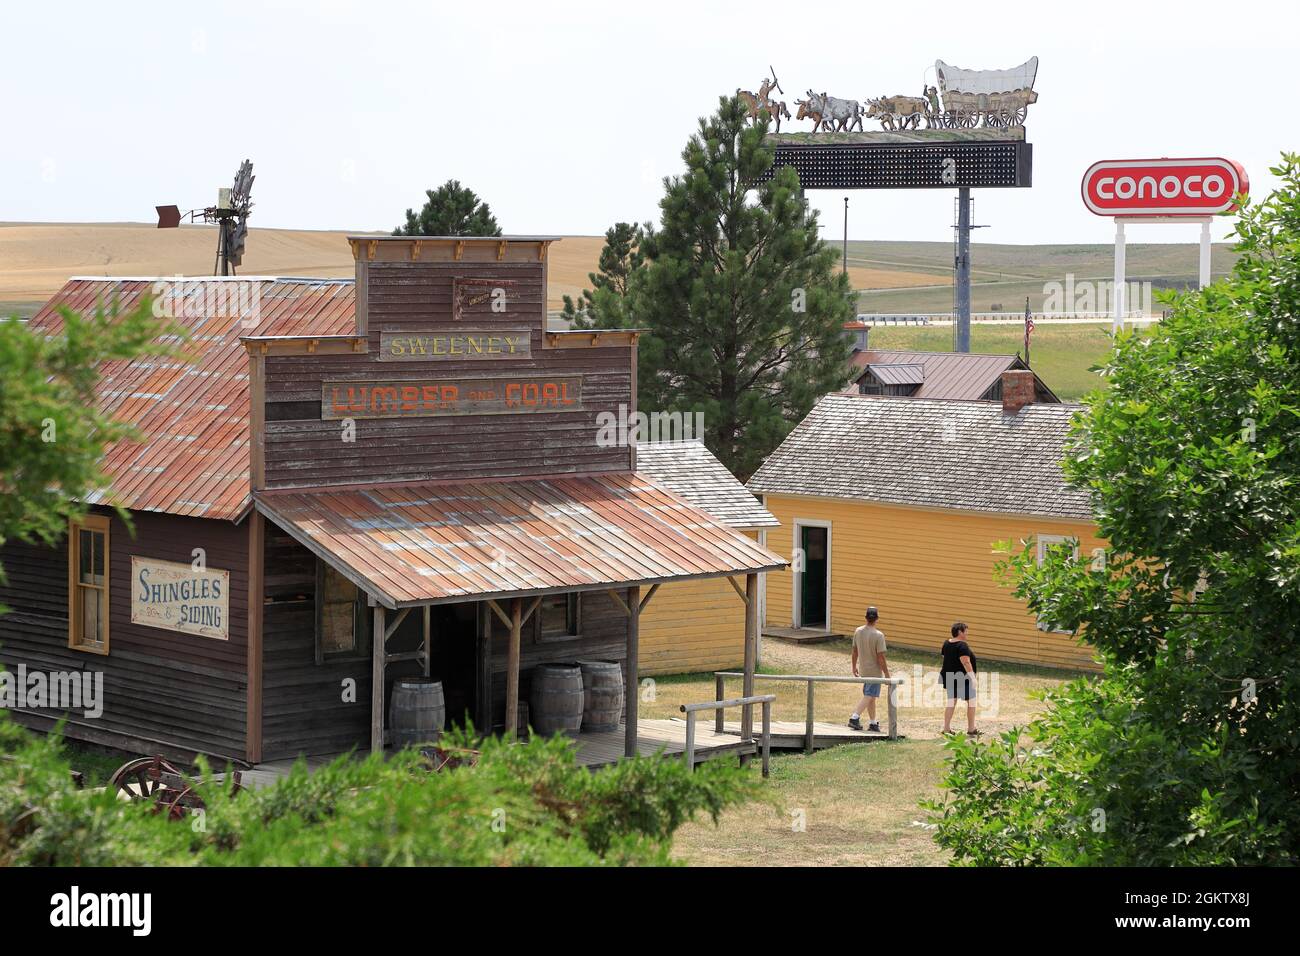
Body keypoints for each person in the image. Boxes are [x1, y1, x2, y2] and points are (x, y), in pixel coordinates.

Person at [849, 606, 889, 732]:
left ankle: (872, 722)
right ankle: (854, 717)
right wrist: (887, 674)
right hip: (874, 671)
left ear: (866, 617)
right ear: (877, 619)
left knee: (871, 696)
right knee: (870, 695)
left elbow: (854, 651)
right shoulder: (878, 635)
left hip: (864, 669)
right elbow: (881, 657)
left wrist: (854, 666)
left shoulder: (858, 631)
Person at [940, 621, 980, 736]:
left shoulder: (946, 643)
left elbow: (944, 657)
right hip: (962, 678)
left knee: (951, 702)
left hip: (949, 677)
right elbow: (966, 662)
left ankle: (946, 728)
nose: (967, 634)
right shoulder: (962, 645)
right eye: (965, 631)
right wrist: (973, 678)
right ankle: (971, 729)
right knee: (971, 702)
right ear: (959, 632)